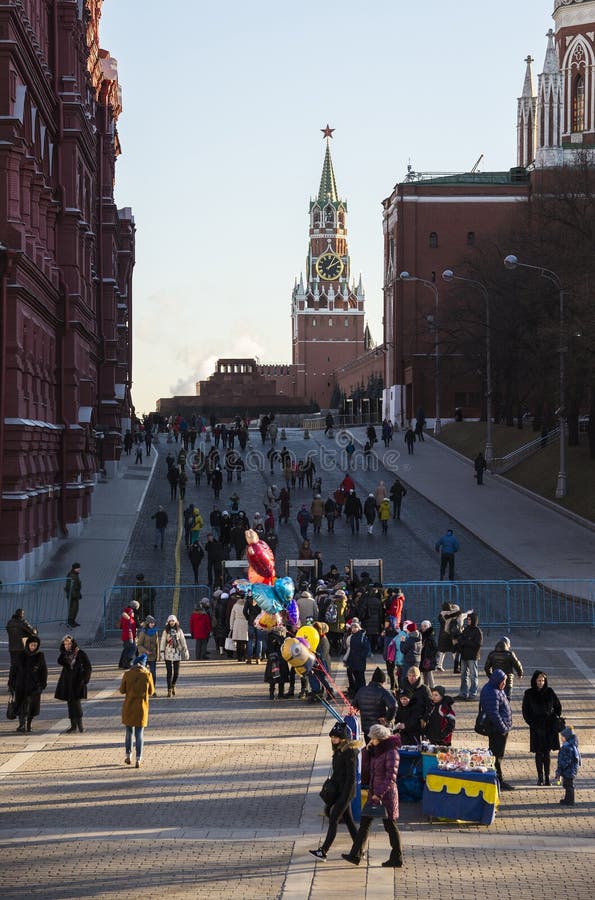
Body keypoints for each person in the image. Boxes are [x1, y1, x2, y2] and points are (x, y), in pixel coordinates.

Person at [342, 724, 403, 868]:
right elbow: (366, 770)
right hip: (373, 793)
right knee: (364, 824)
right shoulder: (376, 750)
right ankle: (355, 855)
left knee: (391, 827)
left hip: (386, 796)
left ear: (380, 738)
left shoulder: (392, 753)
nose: (371, 741)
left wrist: (379, 794)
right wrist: (367, 751)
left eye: (373, 739)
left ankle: (397, 858)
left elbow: (390, 778)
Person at [310, 721, 361, 860]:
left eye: (336, 737)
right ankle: (359, 849)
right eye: (332, 737)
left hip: (345, 793)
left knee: (334, 819)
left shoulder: (349, 752)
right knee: (349, 821)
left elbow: (351, 777)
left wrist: (345, 796)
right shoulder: (339, 750)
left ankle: (323, 851)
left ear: (343, 738)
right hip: (340, 791)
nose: (333, 739)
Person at [522, 670, 562, 786]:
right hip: (536, 727)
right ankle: (540, 777)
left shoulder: (550, 692)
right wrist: (532, 723)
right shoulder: (529, 693)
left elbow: (558, 706)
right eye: (539, 680)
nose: (541, 682)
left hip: (549, 727)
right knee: (538, 753)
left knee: (547, 752)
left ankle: (547, 777)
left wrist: (555, 717)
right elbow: (525, 711)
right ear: (535, 681)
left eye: (543, 680)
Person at [479, 668, 514, 790]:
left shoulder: (496, 689)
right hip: (497, 730)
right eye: (503, 681)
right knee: (496, 756)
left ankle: (496, 778)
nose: (504, 684)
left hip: (499, 729)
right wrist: (503, 728)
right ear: (497, 680)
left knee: (497, 755)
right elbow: (493, 714)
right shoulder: (492, 692)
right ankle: (497, 780)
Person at [119, 653, 155, 768]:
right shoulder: (147, 675)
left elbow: (122, 690)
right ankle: (138, 759)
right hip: (141, 708)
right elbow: (151, 692)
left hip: (129, 707)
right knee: (139, 734)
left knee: (129, 732)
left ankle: (128, 755)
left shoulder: (127, 674)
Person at [54, 635, 92, 733]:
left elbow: (88, 667)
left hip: (78, 682)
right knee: (70, 704)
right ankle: (73, 726)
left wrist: (84, 680)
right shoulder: (64, 655)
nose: (67, 645)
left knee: (76, 703)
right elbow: (62, 663)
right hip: (67, 683)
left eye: (69, 643)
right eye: (65, 644)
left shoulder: (80, 653)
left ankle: (80, 726)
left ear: (73, 643)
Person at [11, 635, 48, 733]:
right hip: (20, 685)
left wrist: (42, 684)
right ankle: (21, 724)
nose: (33, 647)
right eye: (32, 645)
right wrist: (11, 683)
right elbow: (13, 670)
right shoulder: (20, 655)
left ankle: (29, 724)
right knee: (21, 705)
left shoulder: (40, 655)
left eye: (35, 645)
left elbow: (44, 671)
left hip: (34, 686)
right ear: (28, 644)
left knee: (32, 706)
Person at [353, 667, 397, 742]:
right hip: (379, 728)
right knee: (380, 750)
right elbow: (394, 705)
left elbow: (354, 706)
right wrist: (387, 719)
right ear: (382, 681)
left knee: (369, 749)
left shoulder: (361, 690)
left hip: (366, 728)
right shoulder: (382, 691)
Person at [455, 612, 483, 701]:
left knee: (473, 676)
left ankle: (472, 694)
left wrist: (465, 642)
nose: (468, 621)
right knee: (463, 675)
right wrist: (464, 640)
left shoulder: (477, 631)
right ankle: (463, 693)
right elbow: (461, 639)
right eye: (467, 619)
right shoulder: (466, 629)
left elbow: (478, 644)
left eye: (470, 619)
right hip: (464, 656)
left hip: (472, 657)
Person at [160, 615, 189, 697]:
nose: (172, 622)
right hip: (168, 653)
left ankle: (173, 685)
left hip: (177, 653)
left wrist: (185, 651)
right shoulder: (165, 631)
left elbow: (183, 641)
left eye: (173, 621)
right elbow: (162, 642)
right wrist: (162, 653)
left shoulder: (179, 631)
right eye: (170, 621)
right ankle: (169, 689)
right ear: (168, 622)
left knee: (176, 673)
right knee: (169, 672)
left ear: (175, 622)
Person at [343, 617, 371, 696]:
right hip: (353, 661)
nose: (354, 629)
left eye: (355, 627)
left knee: (361, 678)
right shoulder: (352, 637)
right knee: (355, 677)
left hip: (360, 661)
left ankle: (362, 692)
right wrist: (348, 660)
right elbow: (350, 650)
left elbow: (366, 649)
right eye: (352, 627)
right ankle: (357, 692)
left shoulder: (362, 636)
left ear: (358, 627)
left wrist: (361, 657)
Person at [555, 726, 581, 806]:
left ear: (567, 737)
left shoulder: (568, 748)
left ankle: (570, 800)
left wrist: (560, 769)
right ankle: (567, 799)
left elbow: (566, 760)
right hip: (569, 770)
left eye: (562, 737)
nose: (561, 739)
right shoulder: (570, 746)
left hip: (569, 770)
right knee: (566, 784)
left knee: (569, 785)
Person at [136, 615, 160, 693]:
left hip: (152, 656)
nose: (152, 624)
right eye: (151, 623)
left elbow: (157, 645)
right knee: (143, 674)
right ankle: (142, 689)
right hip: (144, 656)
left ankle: (152, 690)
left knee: (153, 674)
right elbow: (139, 645)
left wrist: (158, 656)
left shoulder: (155, 632)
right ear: (147, 623)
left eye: (153, 623)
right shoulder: (143, 632)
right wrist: (145, 651)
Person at [229, 592, 249, 662]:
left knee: (238, 642)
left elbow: (232, 616)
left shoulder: (235, 605)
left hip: (237, 623)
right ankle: (244, 656)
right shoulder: (246, 605)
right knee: (244, 641)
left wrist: (231, 625)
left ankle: (239, 657)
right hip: (245, 623)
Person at [419, 620, 438, 689]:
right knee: (424, 673)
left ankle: (432, 688)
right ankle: (425, 688)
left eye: (425, 626)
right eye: (422, 626)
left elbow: (435, 648)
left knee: (429, 673)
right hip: (422, 657)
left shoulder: (430, 636)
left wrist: (429, 655)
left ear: (428, 627)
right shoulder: (420, 634)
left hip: (428, 658)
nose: (423, 627)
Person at [64, 562, 82, 628]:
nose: (79, 569)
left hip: (75, 595)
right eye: (78, 568)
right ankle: (70, 622)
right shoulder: (72, 575)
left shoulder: (75, 574)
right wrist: (74, 595)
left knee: (75, 609)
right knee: (73, 609)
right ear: (74, 568)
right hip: (72, 596)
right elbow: (71, 587)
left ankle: (73, 621)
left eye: (79, 567)